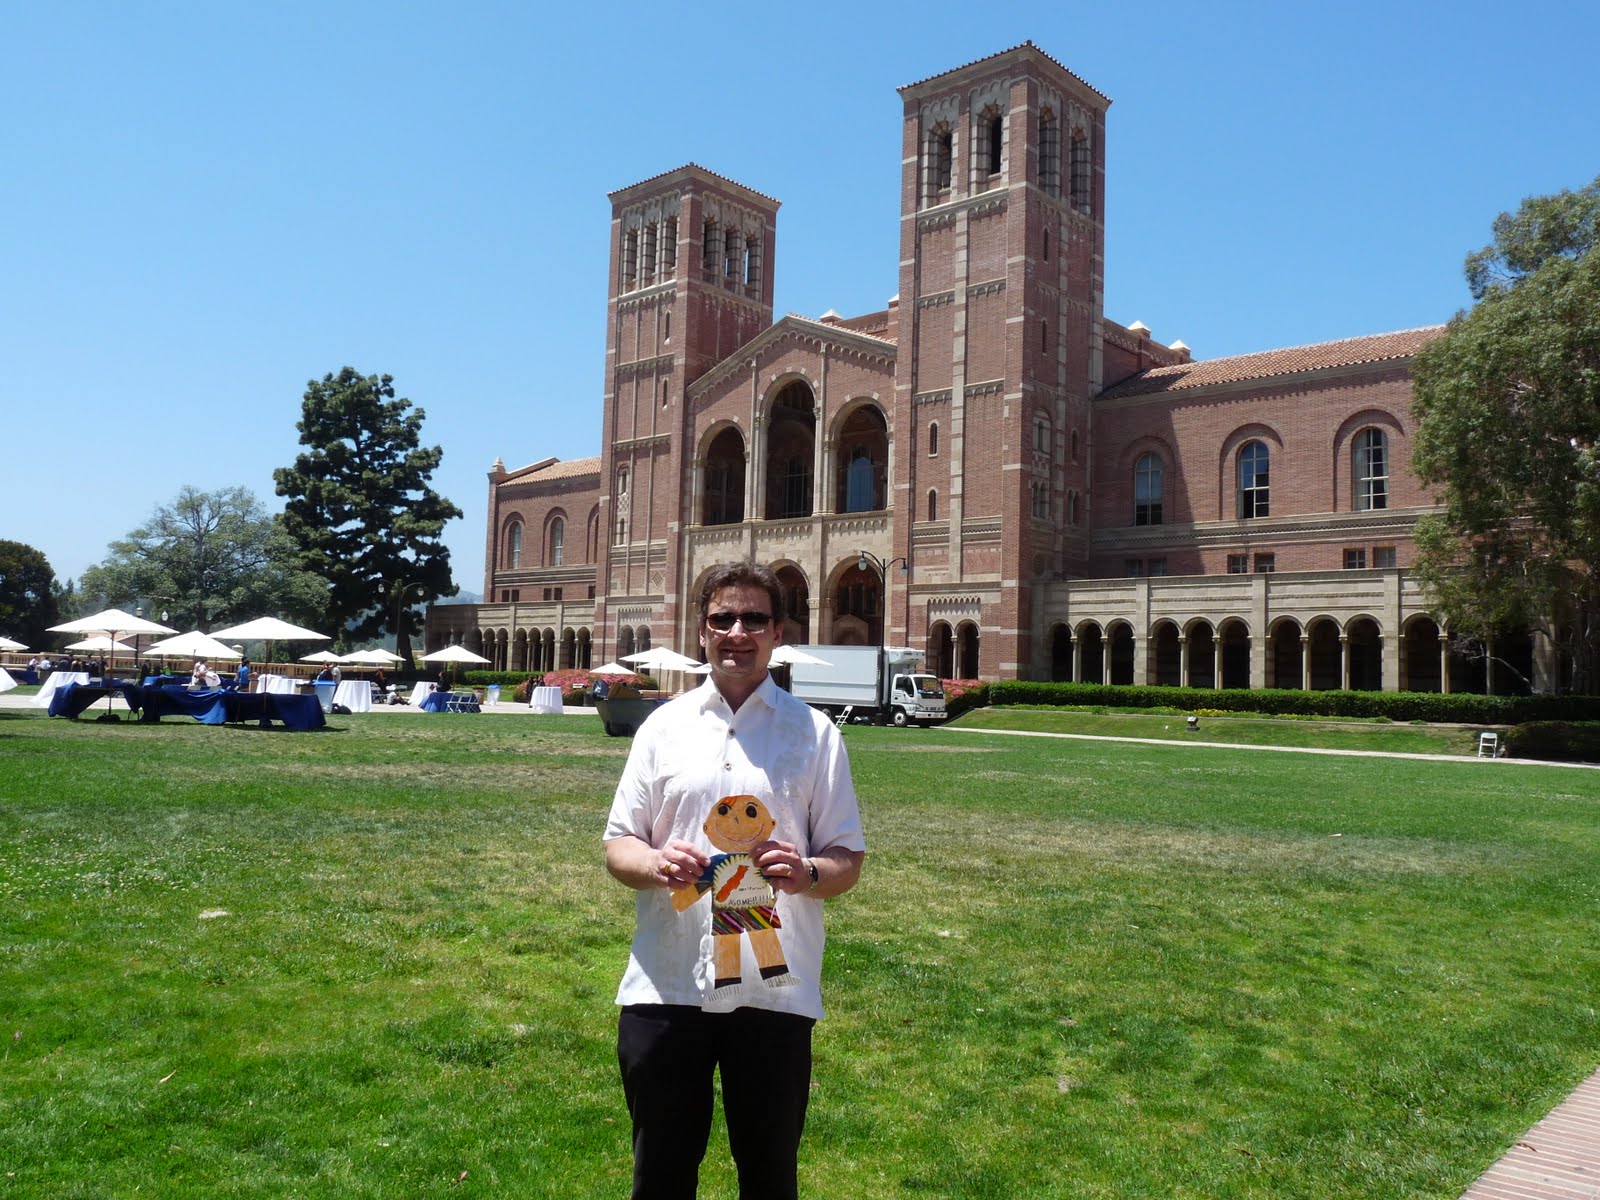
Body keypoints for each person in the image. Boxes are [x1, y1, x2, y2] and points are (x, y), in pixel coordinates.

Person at [603, 560, 866, 1200]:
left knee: (769, 1173)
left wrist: (805, 873)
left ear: (778, 633)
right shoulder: (662, 727)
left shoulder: (815, 733)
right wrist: (657, 864)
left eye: (754, 619)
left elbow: (847, 859)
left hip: (774, 993)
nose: (737, 632)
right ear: (702, 631)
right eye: (723, 618)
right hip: (665, 987)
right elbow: (618, 846)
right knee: (660, 1172)